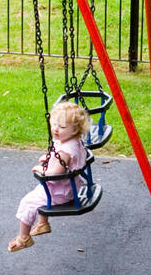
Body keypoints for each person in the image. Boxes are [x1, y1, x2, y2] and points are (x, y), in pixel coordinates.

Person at [8, 99, 90, 252]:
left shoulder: (65, 152)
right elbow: (64, 162)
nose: (56, 129)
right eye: (54, 124)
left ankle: (24, 238)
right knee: (39, 194)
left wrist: (41, 170)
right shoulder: (72, 140)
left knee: (28, 202)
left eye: (62, 126)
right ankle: (42, 224)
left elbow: (55, 173)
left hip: (60, 191)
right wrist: (48, 158)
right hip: (68, 186)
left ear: (75, 130)